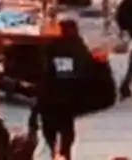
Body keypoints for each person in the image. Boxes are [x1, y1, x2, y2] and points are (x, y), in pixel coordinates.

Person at [30, 18, 95, 160]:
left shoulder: (53, 47)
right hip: (66, 99)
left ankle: (56, 151)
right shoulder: (78, 47)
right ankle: (64, 153)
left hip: (52, 98)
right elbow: (87, 70)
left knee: (52, 129)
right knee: (66, 130)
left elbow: (44, 71)